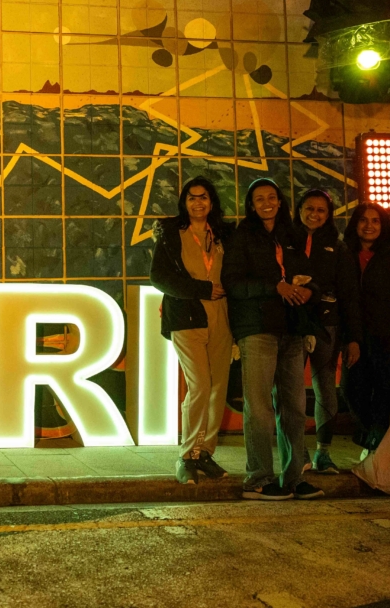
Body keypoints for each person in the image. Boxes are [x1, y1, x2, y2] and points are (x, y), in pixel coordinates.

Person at [222, 178, 323, 501]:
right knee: (260, 408)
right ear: (251, 205)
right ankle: (258, 478)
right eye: (259, 199)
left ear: (280, 202)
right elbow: (233, 284)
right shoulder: (242, 236)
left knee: (294, 408)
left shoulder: (292, 235)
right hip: (257, 330)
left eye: (272, 197)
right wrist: (273, 287)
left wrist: (310, 291)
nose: (266, 203)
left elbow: (311, 276)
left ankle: (294, 478)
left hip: (292, 330)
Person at [150, 178, 234, 484]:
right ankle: (187, 455)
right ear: (184, 203)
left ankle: (205, 453)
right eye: (192, 198)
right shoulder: (172, 233)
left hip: (222, 317)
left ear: (212, 202)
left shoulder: (224, 234)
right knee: (199, 385)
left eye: (204, 197)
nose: (198, 203)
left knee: (217, 388)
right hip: (187, 318)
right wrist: (201, 288)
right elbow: (158, 276)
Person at [293, 189, 359, 475]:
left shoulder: (338, 245)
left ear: (329, 215)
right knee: (291, 391)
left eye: (321, 210)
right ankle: (298, 452)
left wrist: (352, 337)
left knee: (325, 389)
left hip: (328, 326)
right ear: (299, 210)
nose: (314, 214)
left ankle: (323, 453)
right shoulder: (286, 240)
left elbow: (349, 294)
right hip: (292, 325)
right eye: (309, 208)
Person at [341, 202, 390, 452]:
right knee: (352, 390)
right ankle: (369, 438)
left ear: (383, 227)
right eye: (363, 220)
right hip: (354, 338)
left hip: (387, 339)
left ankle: (377, 447)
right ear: (355, 224)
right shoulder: (343, 255)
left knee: (384, 394)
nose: (369, 226)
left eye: (376, 221)